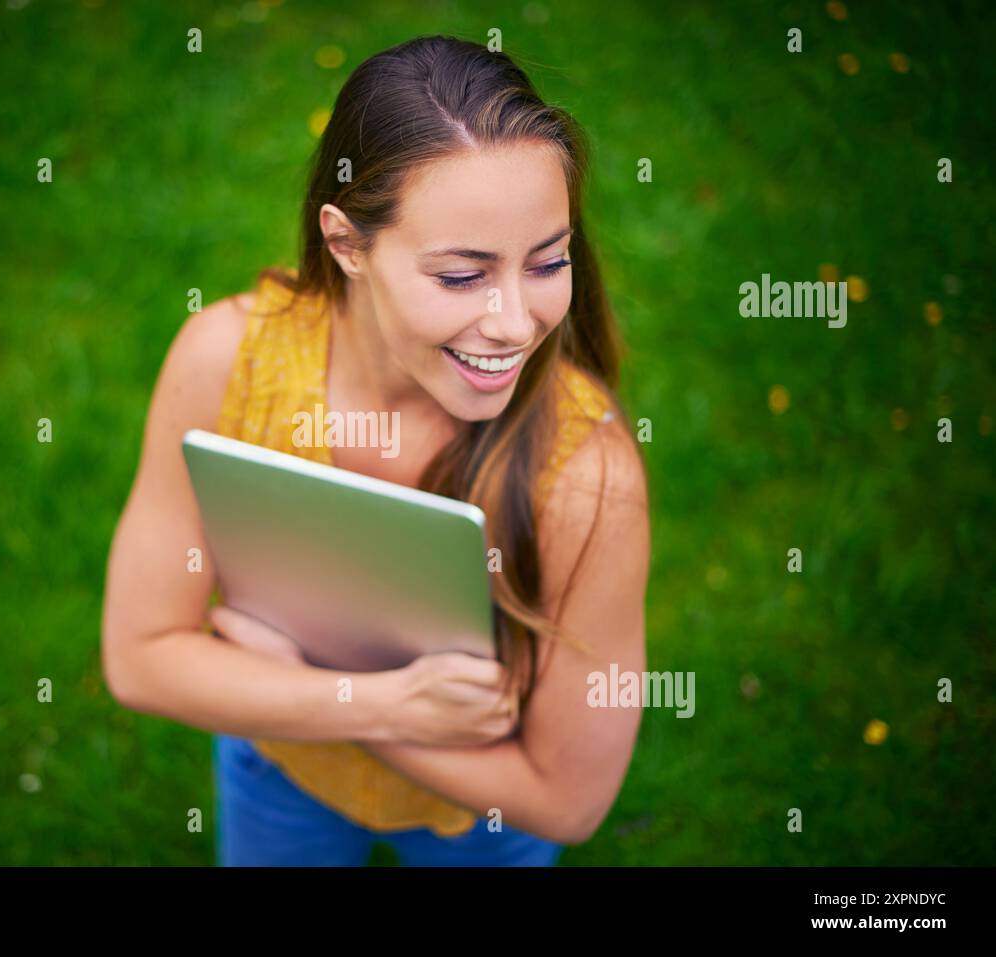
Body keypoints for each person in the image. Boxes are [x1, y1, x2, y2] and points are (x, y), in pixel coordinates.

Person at [101, 35, 650, 866]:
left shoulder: (586, 476)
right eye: (462, 276)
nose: (514, 323)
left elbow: (567, 801)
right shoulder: (226, 363)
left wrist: (316, 694)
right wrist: (388, 703)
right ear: (347, 243)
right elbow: (140, 658)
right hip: (279, 767)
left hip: (481, 820)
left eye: (548, 261)